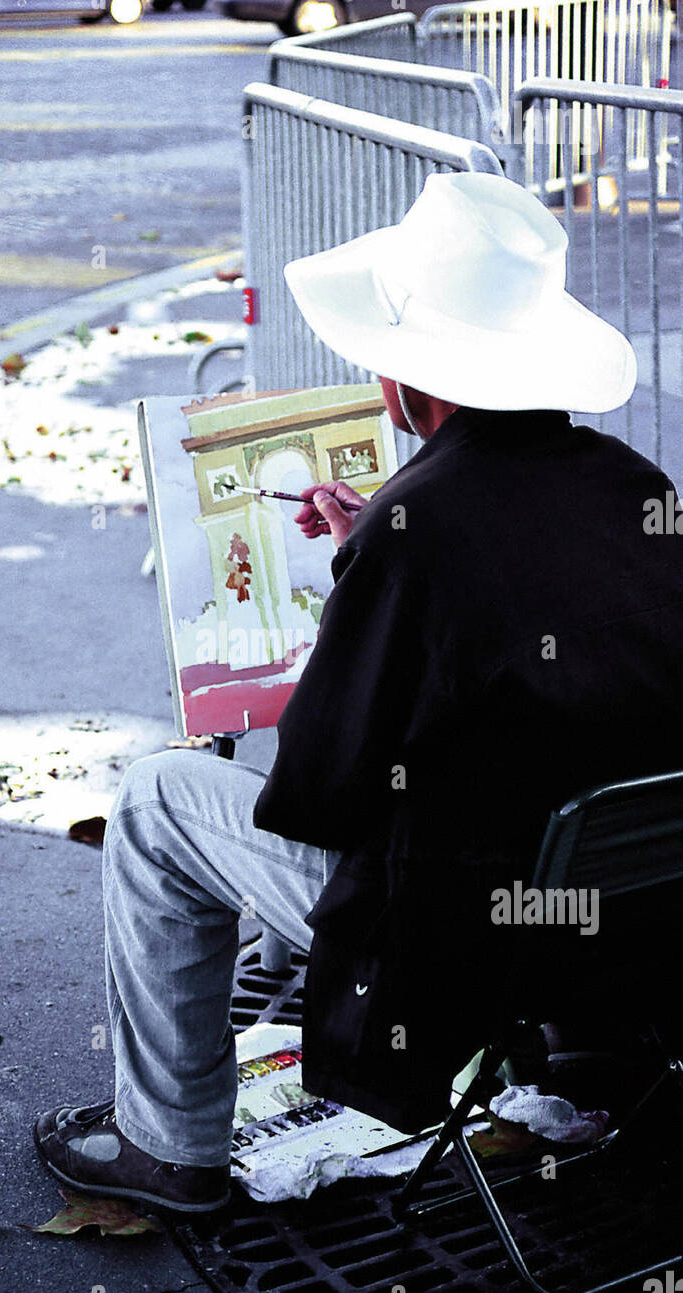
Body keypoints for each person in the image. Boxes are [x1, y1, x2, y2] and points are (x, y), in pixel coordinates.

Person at [35, 171, 683, 1214]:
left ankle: (169, 1147)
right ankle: (562, 1066)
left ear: (403, 384)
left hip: (465, 948)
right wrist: (371, 555)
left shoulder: (414, 531)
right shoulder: (633, 486)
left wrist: (365, 585)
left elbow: (316, 797)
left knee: (158, 800)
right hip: (634, 934)